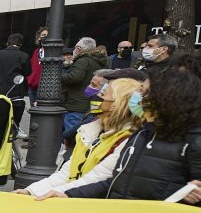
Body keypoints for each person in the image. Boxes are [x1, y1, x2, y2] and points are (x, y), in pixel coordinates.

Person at [54, 69, 201, 205]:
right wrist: (69, 194)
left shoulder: (193, 141)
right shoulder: (142, 134)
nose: (136, 96)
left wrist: (189, 197)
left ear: (166, 97)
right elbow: (116, 182)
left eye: (142, 91)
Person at [17, 78, 144, 198]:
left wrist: (57, 193)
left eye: (103, 95)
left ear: (116, 105)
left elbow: (96, 178)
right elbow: (67, 173)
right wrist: (31, 191)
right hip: (70, 198)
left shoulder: (127, 140)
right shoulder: (90, 132)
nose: (96, 97)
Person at [61, 37, 109, 134]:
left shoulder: (83, 61)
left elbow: (74, 77)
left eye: (75, 48)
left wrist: (60, 76)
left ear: (78, 48)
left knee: (72, 135)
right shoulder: (99, 61)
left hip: (76, 105)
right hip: (91, 104)